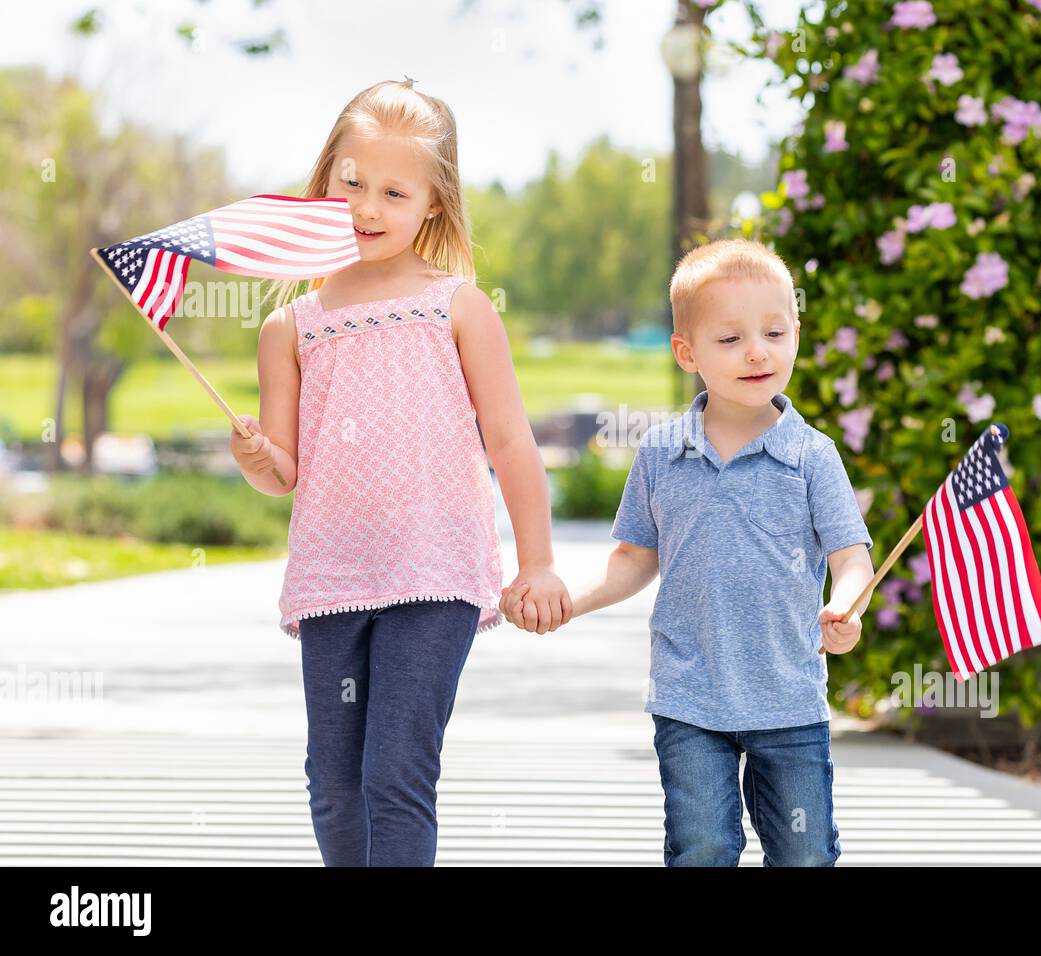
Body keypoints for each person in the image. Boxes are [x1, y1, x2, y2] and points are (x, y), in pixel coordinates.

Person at [229, 78, 571, 866]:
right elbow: (282, 470)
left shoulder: (457, 306)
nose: (368, 208)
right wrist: (256, 456)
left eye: (394, 191)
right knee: (333, 779)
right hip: (331, 576)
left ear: (433, 207)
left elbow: (512, 442)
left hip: (436, 572)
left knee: (395, 769)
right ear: (324, 182)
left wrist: (539, 560)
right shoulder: (291, 326)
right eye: (352, 183)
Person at [501, 238, 876, 866]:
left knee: (805, 853)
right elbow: (634, 557)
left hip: (787, 697)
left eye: (774, 332)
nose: (757, 351)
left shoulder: (813, 456)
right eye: (729, 340)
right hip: (689, 697)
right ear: (687, 352)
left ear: (796, 335)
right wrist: (574, 600)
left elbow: (850, 556)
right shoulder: (660, 453)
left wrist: (845, 608)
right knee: (701, 846)